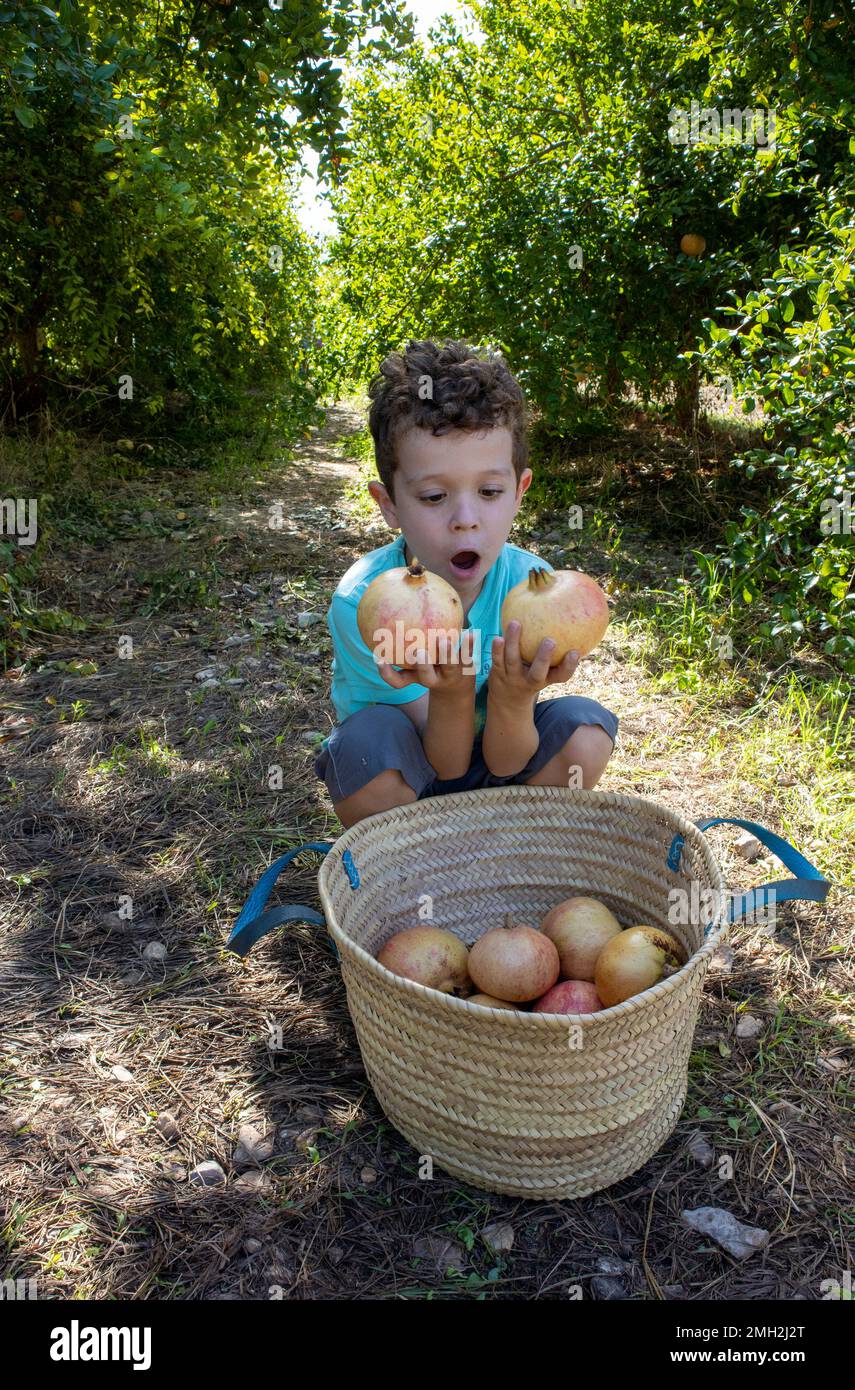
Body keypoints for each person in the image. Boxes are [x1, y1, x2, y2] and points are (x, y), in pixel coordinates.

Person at [314, 338, 618, 827]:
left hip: (507, 767)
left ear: (519, 492)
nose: (465, 519)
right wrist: (452, 691)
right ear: (389, 503)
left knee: (585, 729)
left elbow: (507, 761)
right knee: (362, 748)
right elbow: (446, 765)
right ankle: (405, 859)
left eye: (490, 491)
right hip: (416, 776)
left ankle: (509, 844)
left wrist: (516, 697)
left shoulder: (531, 590)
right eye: (434, 496)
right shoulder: (364, 604)